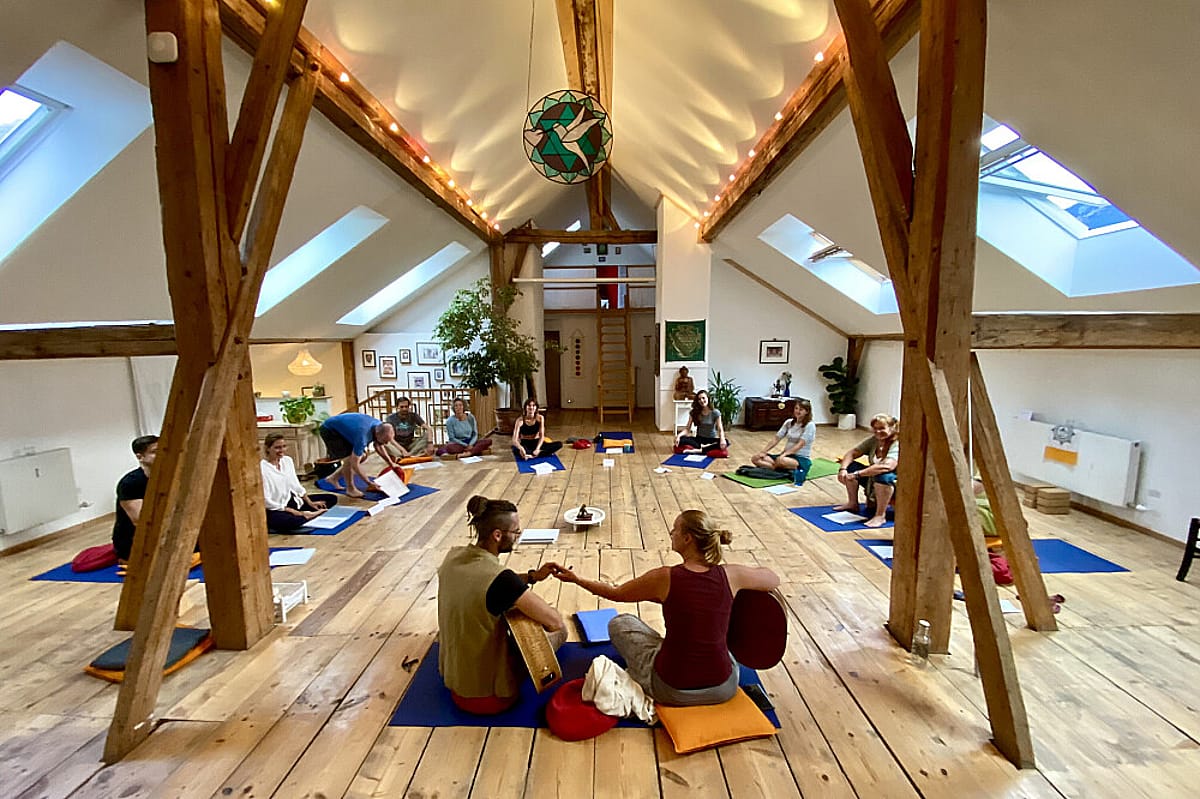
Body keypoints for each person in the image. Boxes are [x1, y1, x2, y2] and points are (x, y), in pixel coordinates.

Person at [550, 510, 779, 706]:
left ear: (688, 538)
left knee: (620, 623)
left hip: (671, 690)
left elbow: (615, 594)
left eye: (675, 529)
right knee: (715, 640)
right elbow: (772, 578)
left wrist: (576, 579)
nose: (671, 533)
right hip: (724, 688)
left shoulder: (663, 578)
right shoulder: (732, 574)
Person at [438, 495, 566, 713]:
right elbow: (553, 621)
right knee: (561, 629)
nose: (518, 536)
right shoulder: (502, 580)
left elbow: (485, 581)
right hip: (489, 699)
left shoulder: (453, 557)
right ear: (497, 535)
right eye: (516, 532)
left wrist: (532, 576)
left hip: (454, 685)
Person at [261, 433, 338, 532]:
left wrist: (310, 503)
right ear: (267, 448)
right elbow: (266, 501)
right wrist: (295, 512)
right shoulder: (262, 468)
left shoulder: (287, 461)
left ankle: (305, 513)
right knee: (291, 521)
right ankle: (307, 515)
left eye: (284, 446)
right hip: (277, 508)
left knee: (331, 498)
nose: (282, 450)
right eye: (277, 448)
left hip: (293, 501)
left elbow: (296, 485)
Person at [833, 413, 899, 528]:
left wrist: (858, 474)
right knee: (850, 466)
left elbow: (887, 466)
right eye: (875, 429)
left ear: (892, 428)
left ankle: (880, 516)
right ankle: (852, 503)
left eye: (882, 428)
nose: (878, 432)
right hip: (874, 478)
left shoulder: (897, 443)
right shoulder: (874, 440)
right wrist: (843, 469)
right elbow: (852, 453)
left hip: (894, 481)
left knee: (883, 475)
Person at [318, 412, 397, 498]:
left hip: (346, 429)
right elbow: (355, 464)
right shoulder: (362, 437)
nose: (386, 443)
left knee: (362, 456)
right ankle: (350, 489)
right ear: (377, 434)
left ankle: (333, 478)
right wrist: (369, 483)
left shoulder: (379, 426)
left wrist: (391, 464)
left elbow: (379, 445)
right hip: (330, 430)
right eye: (385, 441)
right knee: (348, 459)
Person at [112, 435, 158, 564]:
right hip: (134, 540)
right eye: (155, 452)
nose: (162, 455)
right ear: (140, 457)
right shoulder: (130, 483)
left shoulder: (167, 477)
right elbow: (140, 520)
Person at [750, 398, 815, 485]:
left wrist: (784, 455)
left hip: (800, 458)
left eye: (801, 409)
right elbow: (776, 438)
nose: (798, 411)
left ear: (807, 412)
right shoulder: (789, 422)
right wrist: (763, 451)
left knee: (781, 461)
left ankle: (775, 468)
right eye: (796, 408)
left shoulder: (810, 425)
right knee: (755, 458)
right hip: (785, 456)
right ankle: (778, 469)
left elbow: (800, 444)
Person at [674, 389, 728, 454]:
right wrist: (678, 436)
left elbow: (720, 429)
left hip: (711, 439)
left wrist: (722, 438)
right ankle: (706, 449)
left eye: (703, 398)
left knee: (726, 442)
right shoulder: (694, 412)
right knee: (681, 440)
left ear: (708, 398)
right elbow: (687, 429)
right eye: (699, 399)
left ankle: (700, 450)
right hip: (699, 440)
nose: (702, 400)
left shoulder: (715, 412)